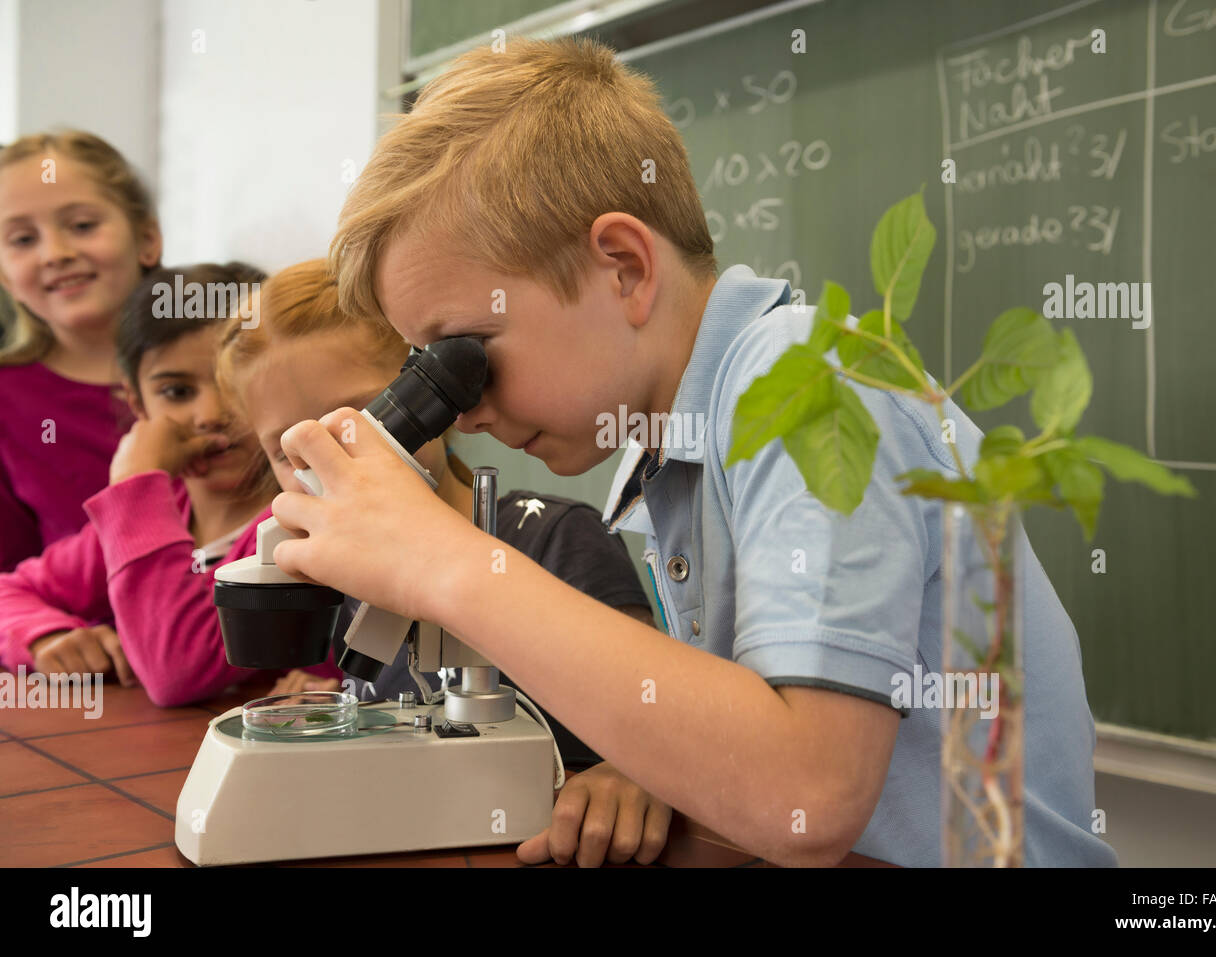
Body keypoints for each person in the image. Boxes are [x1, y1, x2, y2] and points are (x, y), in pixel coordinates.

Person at [271, 37, 1117, 868]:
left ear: (626, 268)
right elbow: (752, 734)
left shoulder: (806, 386)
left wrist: (442, 560)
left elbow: (808, 795)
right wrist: (651, 768)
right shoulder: (676, 441)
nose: (464, 406)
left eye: (466, 352)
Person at [217, 258, 656, 771]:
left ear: (425, 397)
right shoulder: (343, 578)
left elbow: (658, 715)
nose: (323, 464)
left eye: (350, 424)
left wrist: (630, 778)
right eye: (287, 449)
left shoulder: (558, 539)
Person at [0, 263, 344, 704]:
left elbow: (177, 670)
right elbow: (11, 590)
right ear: (136, 403)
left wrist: (135, 488)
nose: (211, 414)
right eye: (177, 392)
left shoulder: (295, 520)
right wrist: (44, 636)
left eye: (231, 384)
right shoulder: (167, 510)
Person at [0, 131, 162, 571]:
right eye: (22, 240)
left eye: (83, 226)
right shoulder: (8, 400)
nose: (56, 253)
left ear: (147, 238)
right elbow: (7, 581)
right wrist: (44, 634)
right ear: (7, 277)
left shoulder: (222, 363)